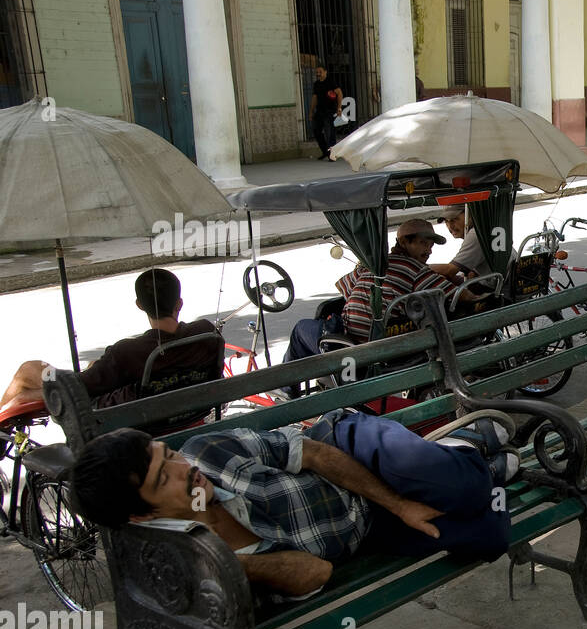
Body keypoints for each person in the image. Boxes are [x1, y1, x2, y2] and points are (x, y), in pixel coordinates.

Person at [67, 409, 512, 599]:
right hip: (365, 529)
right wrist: (232, 564)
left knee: (464, 492)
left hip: (345, 449)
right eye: (165, 477)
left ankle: (469, 452)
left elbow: (314, 453)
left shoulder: (207, 450)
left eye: (171, 455)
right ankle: (473, 457)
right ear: (144, 513)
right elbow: (317, 573)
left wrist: (399, 505)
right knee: (491, 537)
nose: (184, 468)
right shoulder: (197, 563)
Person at [2, 269, 219, 411]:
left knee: (28, 370)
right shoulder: (207, 334)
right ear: (179, 303)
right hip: (187, 414)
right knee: (92, 367)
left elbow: (79, 388)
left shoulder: (127, 353)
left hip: (125, 421)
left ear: (139, 305)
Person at [283, 218, 448, 365]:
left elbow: (344, 288)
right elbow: (458, 293)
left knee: (301, 328)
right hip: (389, 344)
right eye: (423, 244)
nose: (429, 251)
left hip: (354, 343)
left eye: (430, 246)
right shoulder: (418, 270)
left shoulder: (373, 265)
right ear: (404, 242)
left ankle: (287, 390)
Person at [309, 65, 342, 160]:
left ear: (325, 72)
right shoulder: (316, 84)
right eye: (317, 72)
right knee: (316, 131)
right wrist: (311, 112)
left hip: (329, 110)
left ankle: (332, 154)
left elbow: (339, 93)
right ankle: (325, 152)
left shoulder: (331, 82)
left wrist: (339, 108)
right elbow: (314, 98)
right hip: (319, 111)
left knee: (329, 132)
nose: (318, 74)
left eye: (320, 72)